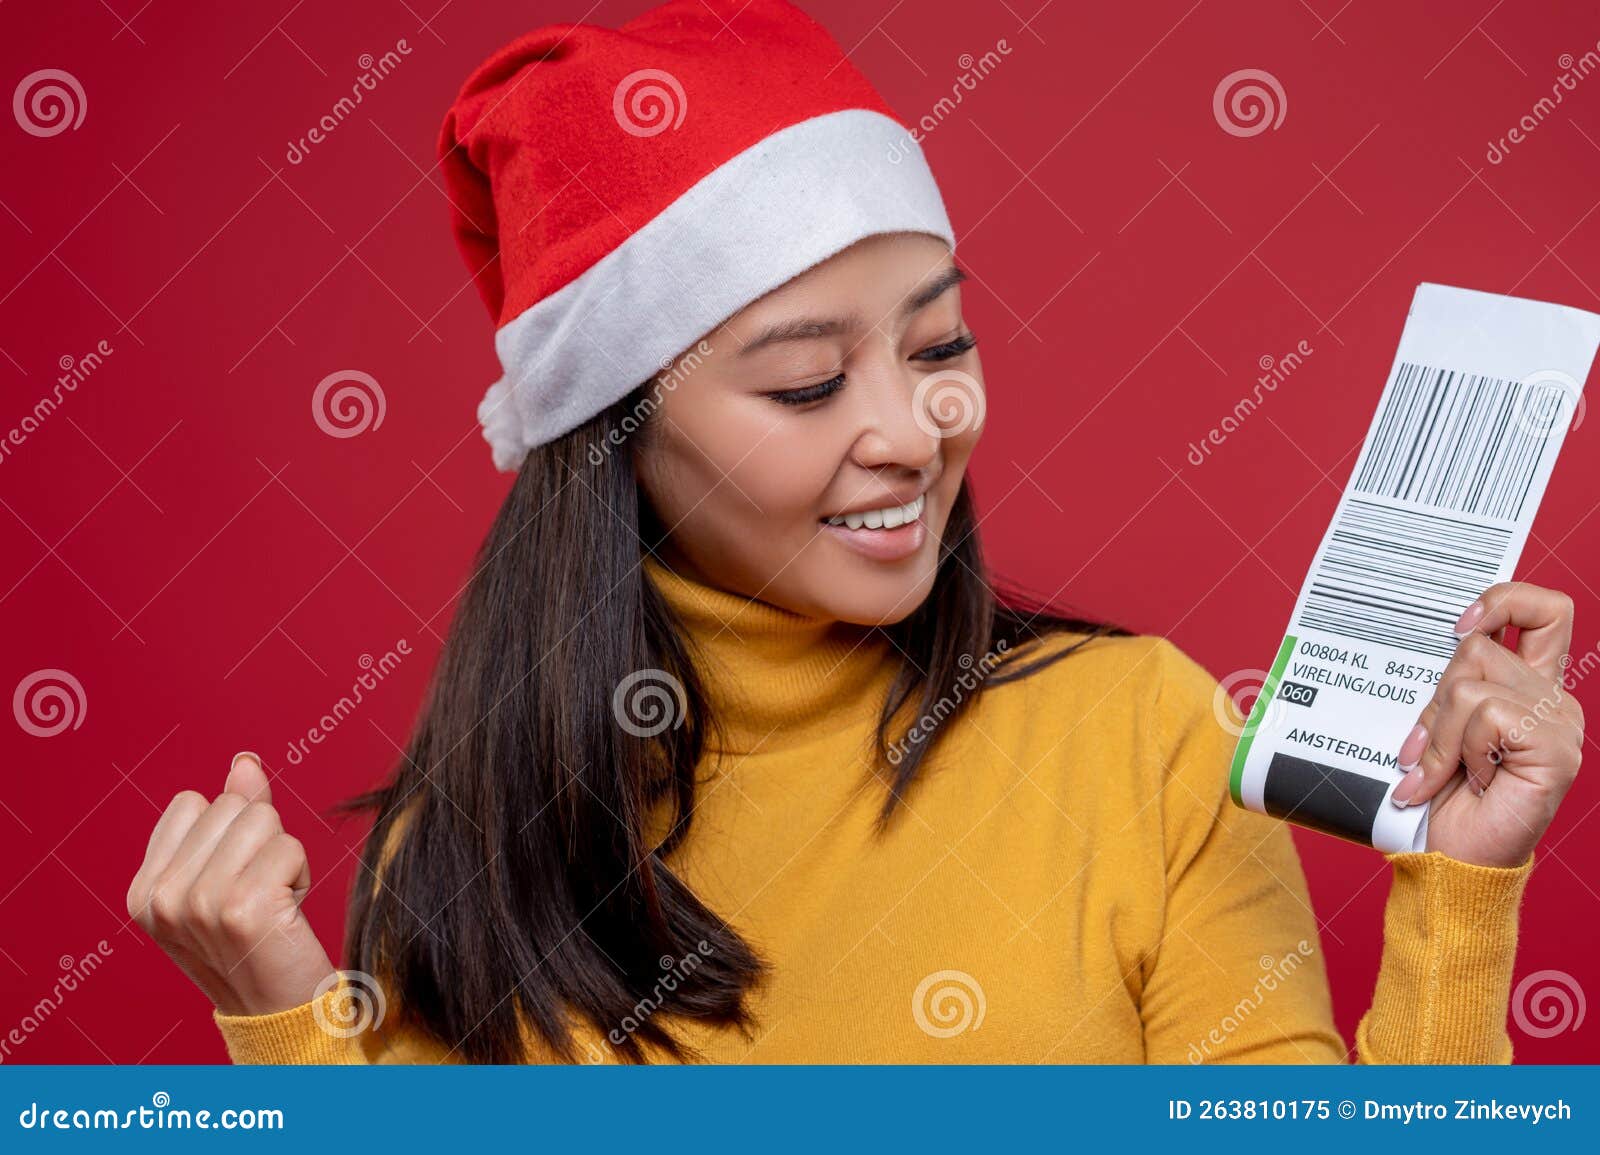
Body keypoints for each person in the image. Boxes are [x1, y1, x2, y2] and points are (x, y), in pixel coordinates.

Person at [127, 0, 1583, 1065]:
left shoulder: (1143, 738)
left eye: (938, 346)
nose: (912, 427)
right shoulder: (469, 849)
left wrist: (1459, 895)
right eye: (809, 382)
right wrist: (282, 1007)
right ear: (615, 439)